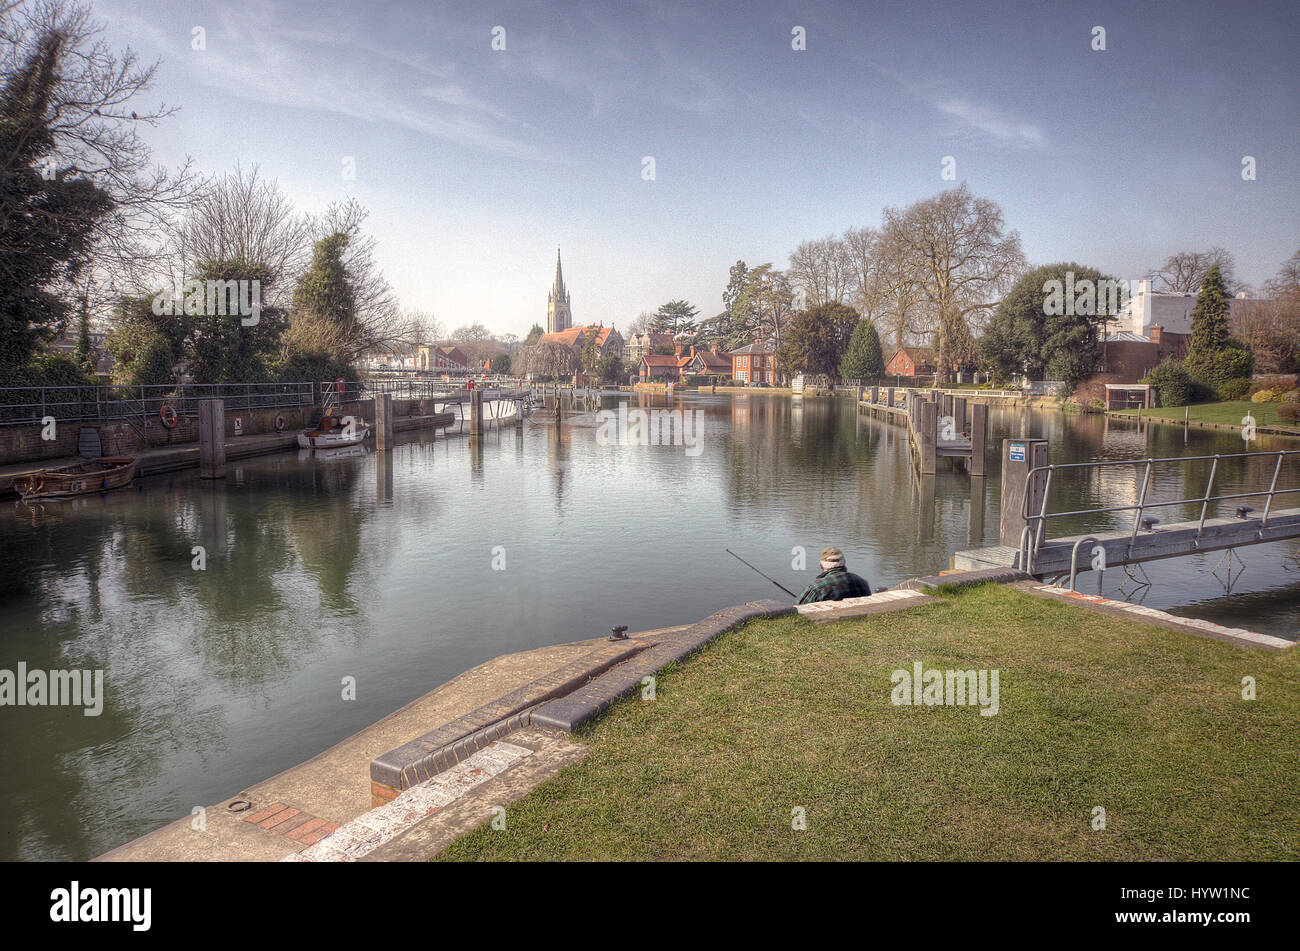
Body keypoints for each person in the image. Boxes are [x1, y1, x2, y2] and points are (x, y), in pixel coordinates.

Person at [796, 547, 872, 604]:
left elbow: (797, 609)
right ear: (844, 562)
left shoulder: (816, 587)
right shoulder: (862, 582)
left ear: (821, 565)